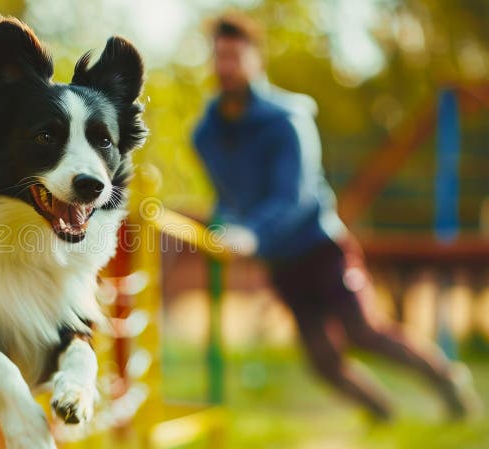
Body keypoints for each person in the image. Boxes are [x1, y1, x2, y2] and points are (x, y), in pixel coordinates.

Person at [192, 12, 481, 421]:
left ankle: (446, 378)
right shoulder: (206, 134)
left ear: (256, 60)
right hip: (281, 262)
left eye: (236, 58)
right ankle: (382, 414)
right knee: (323, 360)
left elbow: (292, 197)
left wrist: (252, 234)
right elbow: (226, 198)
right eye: (220, 57)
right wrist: (222, 226)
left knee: (363, 331)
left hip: (321, 247)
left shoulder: (287, 121)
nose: (226, 67)